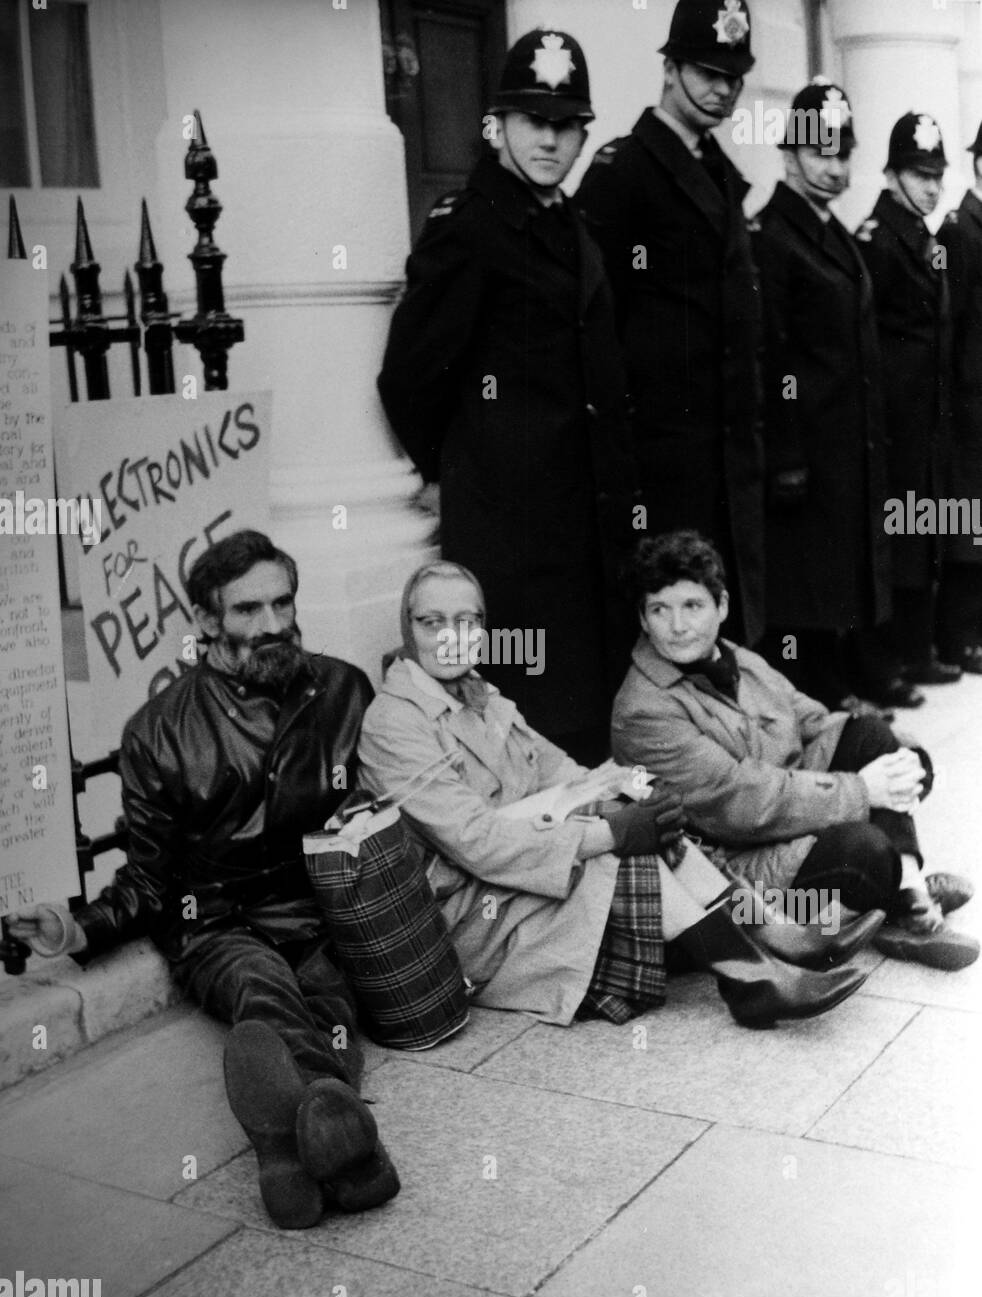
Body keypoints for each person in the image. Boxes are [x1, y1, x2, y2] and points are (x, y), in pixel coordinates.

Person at [4, 530, 399, 1229]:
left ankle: (285, 1148)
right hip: (216, 921)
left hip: (318, 911)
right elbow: (149, 882)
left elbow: (371, 811)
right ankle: (349, 1149)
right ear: (207, 621)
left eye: (283, 602)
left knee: (332, 1005)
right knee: (262, 987)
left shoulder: (342, 688)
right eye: (248, 609)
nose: (273, 624)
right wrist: (76, 926)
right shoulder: (158, 730)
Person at [356, 560, 872, 1033]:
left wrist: (628, 794)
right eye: (433, 623)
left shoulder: (482, 696)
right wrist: (609, 830)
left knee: (642, 825)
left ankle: (775, 938)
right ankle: (752, 977)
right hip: (474, 911)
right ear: (408, 629)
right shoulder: (394, 722)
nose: (453, 638)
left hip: (523, 870)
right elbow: (477, 842)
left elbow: (562, 770)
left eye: (468, 621)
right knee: (620, 853)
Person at [378, 29, 641, 766]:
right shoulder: (469, 229)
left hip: (582, 530)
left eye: (566, 126)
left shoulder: (571, 226)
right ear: (499, 124)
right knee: (532, 727)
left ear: (585, 133)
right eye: (534, 122)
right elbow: (409, 375)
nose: (550, 141)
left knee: (590, 722)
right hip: (513, 535)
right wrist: (455, 470)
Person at [611, 531, 978, 973]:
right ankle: (901, 895)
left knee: (875, 736)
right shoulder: (642, 709)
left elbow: (813, 721)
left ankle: (907, 897)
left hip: (782, 815)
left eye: (692, 606)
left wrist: (903, 757)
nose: (678, 625)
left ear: (722, 606)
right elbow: (738, 802)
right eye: (659, 610)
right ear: (643, 619)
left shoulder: (738, 659)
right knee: (865, 849)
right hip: (735, 866)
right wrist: (862, 790)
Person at [577, 0, 764, 648]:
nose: (723, 90)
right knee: (668, 612)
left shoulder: (720, 172)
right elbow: (596, 318)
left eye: (733, 77)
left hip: (723, 443)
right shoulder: (623, 171)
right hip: (659, 449)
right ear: (671, 67)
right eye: (708, 72)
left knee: (718, 607)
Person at [750, 80, 899, 716]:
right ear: (788, 155)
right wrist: (785, 455)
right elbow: (769, 353)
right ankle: (817, 697)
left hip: (845, 436)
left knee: (837, 568)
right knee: (806, 579)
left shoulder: (830, 231)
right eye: (820, 153)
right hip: (804, 444)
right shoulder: (770, 235)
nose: (834, 167)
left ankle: (839, 684)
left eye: (842, 153)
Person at [855, 112, 960, 690]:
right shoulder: (878, 238)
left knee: (924, 541)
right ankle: (887, 663)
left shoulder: (921, 236)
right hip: (894, 423)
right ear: (892, 173)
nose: (930, 186)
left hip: (926, 419)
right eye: (919, 173)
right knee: (896, 546)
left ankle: (916, 652)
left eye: (936, 175)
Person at [935, 119, 982, 676]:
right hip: (968, 406)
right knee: (966, 525)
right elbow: (949, 325)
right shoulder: (960, 230)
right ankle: (960, 635)